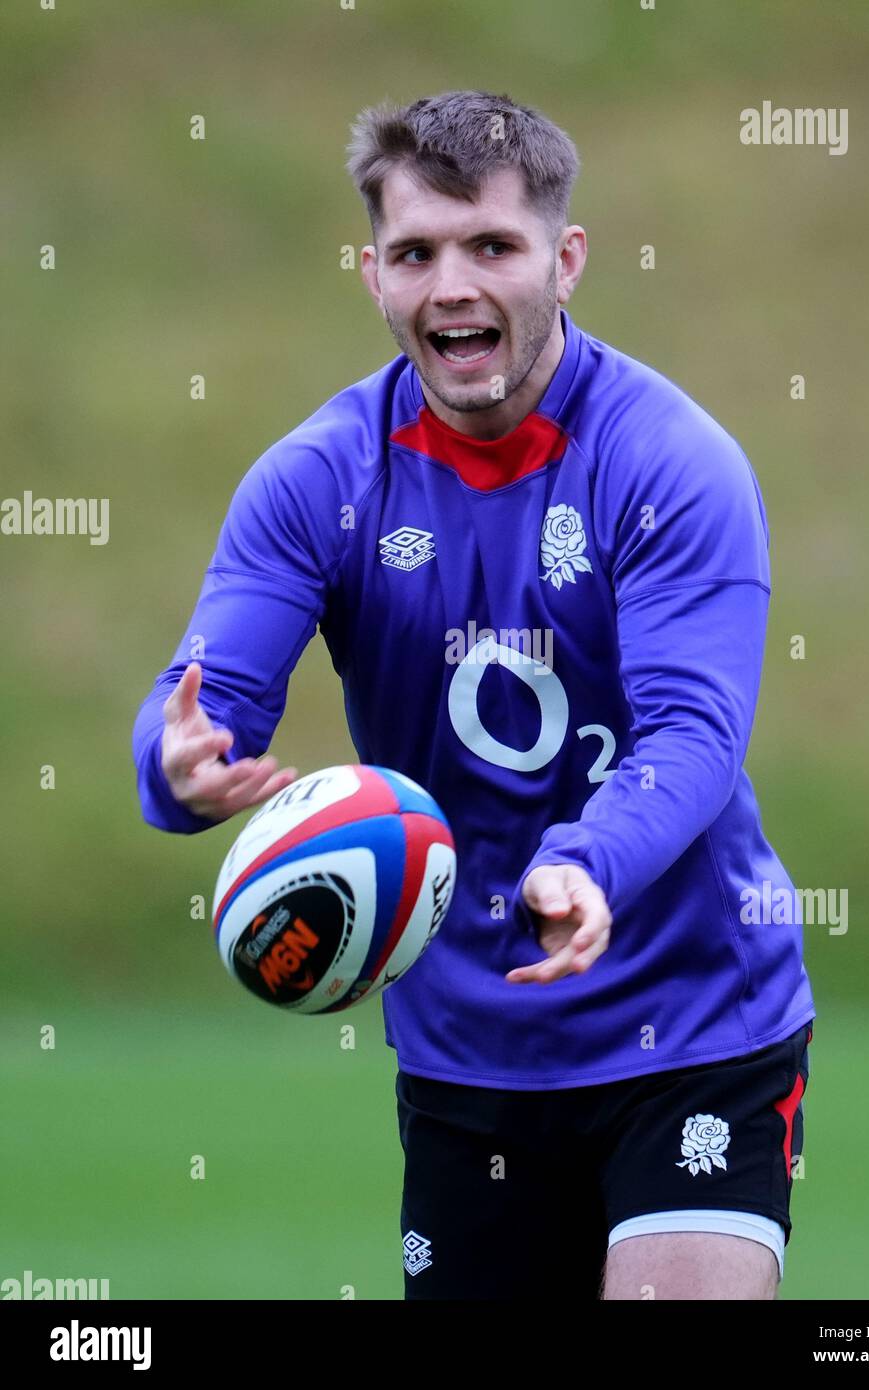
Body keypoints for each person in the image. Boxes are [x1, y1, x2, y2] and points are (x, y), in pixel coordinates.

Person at [132, 89, 815, 1301]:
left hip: (695, 1022)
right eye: (415, 253)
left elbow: (691, 730)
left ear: (564, 257)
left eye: (490, 246)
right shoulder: (314, 481)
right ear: (372, 274)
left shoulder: (668, 460)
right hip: (465, 1049)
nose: (452, 284)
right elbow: (204, 694)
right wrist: (175, 766)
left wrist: (586, 862)